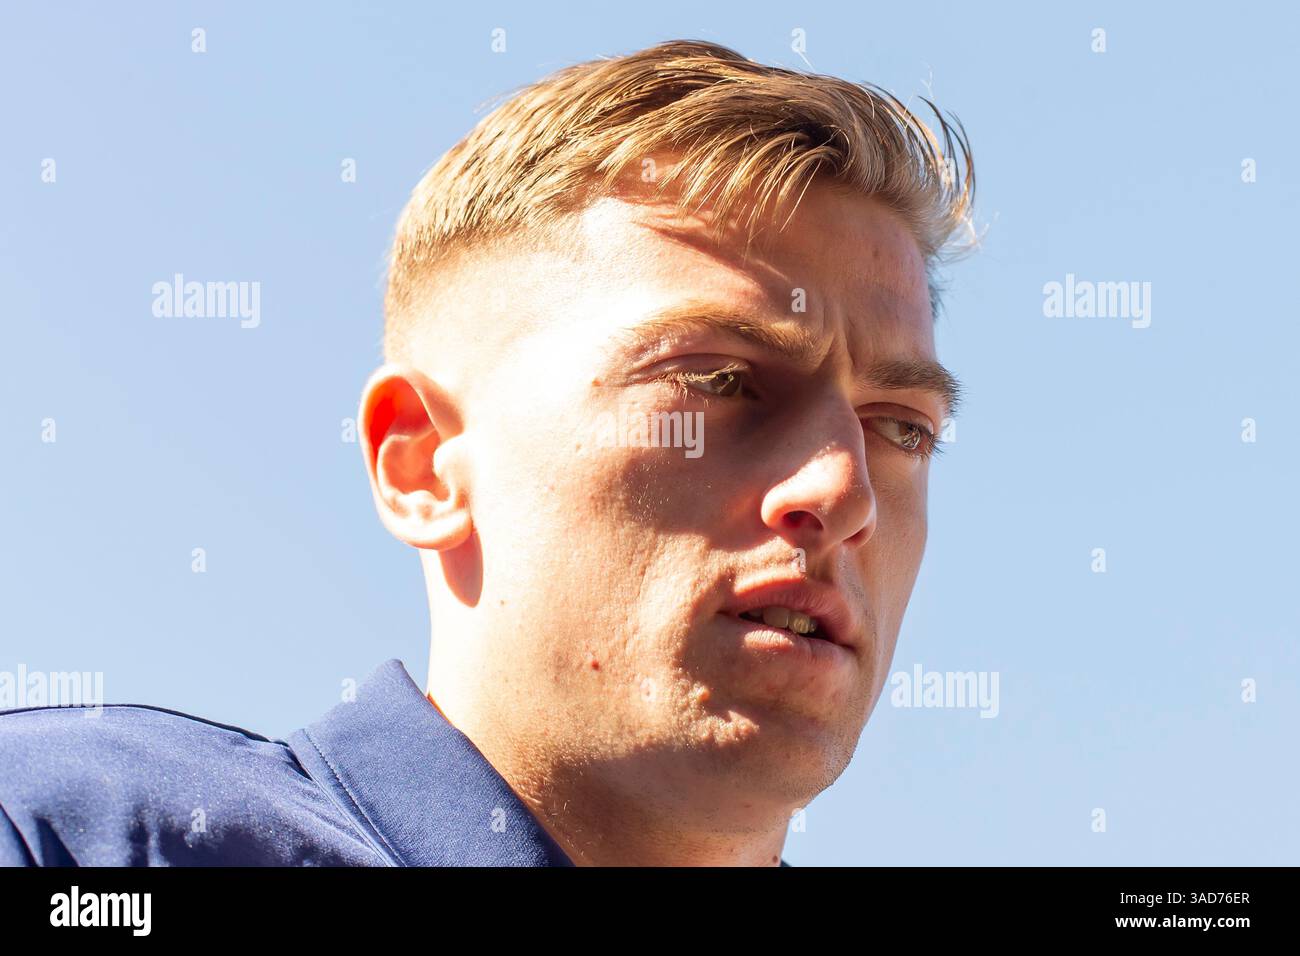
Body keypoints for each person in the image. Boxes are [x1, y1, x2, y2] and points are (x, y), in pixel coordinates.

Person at [0, 38, 974, 867]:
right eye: (717, 379)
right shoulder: (72, 836)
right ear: (422, 463)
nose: (843, 490)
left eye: (900, 426)